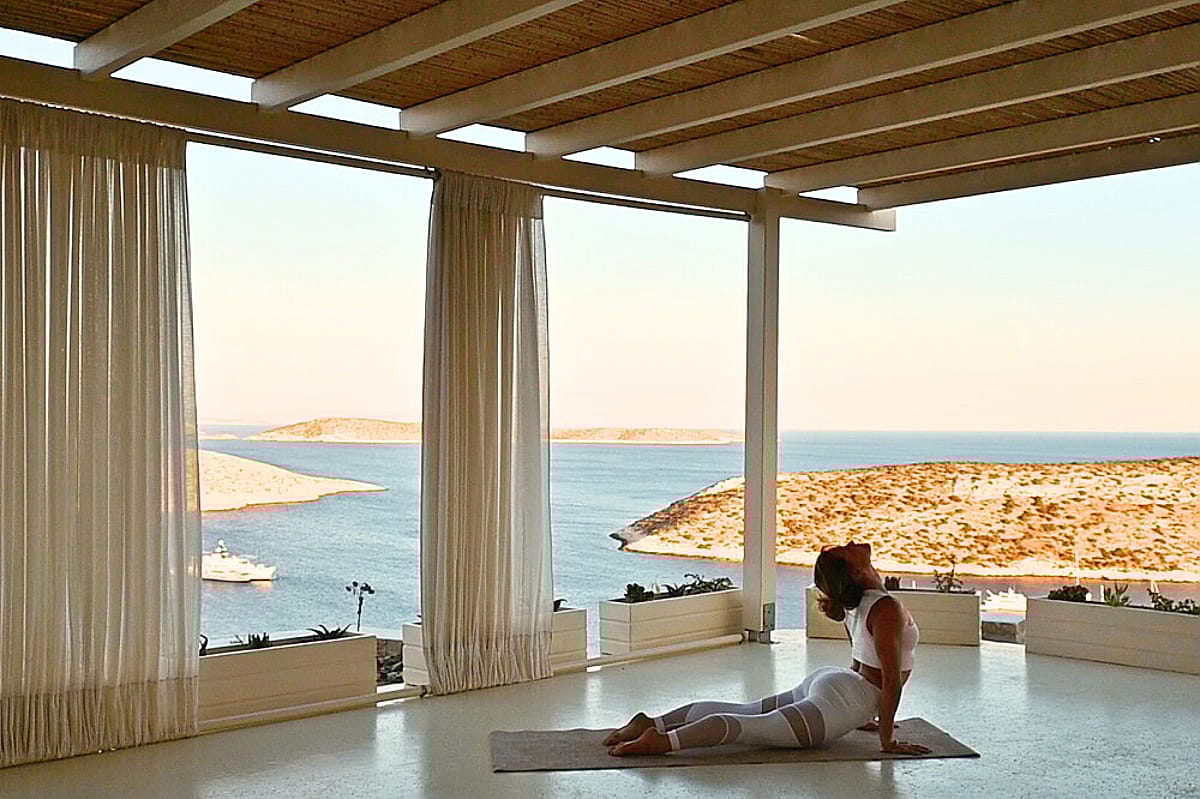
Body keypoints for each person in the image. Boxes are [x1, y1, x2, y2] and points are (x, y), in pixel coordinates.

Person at [604, 541, 931, 756]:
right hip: (841, 696)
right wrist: (886, 739)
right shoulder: (885, 607)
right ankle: (660, 741)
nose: (850, 543)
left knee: (746, 712)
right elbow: (890, 679)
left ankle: (654, 722)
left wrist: (862, 712)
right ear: (858, 572)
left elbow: (863, 661)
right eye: (846, 551)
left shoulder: (860, 602)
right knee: (745, 727)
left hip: (836, 683)